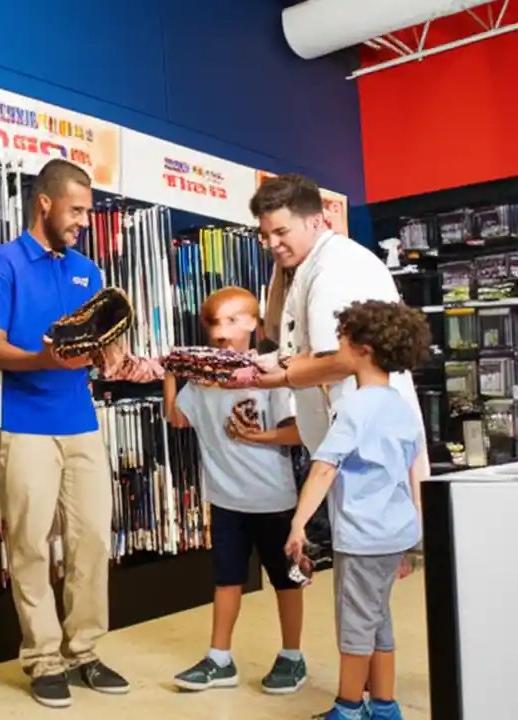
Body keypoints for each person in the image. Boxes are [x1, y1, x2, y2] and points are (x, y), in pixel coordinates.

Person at [0, 158, 149, 708]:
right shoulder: (0, 264)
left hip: (81, 421)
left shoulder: (88, 272)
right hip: (21, 424)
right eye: (75, 211)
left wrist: (116, 358)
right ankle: (44, 658)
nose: (82, 222)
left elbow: (94, 349)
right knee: (29, 544)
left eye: (87, 213)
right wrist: (47, 358)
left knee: (93, 537)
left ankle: (85, 652)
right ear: (44, 203)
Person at [228, 173, 429, 488]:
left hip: (365, 449)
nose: (273, 245)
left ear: (314, 221)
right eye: (266, 236)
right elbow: (290, 340)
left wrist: (279, 377)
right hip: (352, 446)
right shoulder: (312, 265)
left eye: (282, 232)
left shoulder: (335, 269)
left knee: (379, 533)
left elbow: (341, 361)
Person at [284, 300, 429, 720]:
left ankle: (348, 708)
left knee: (355, 627)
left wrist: (298, 523)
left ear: (363, 349)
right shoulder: (402, 407)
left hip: (362, 538)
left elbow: (324, 469)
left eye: (342, 342)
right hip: (396, 533)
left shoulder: (354, 408)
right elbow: (409, 473)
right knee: (378, 620)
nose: (336, 350)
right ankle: (384, 706)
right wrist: (414, 538)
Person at [163, 286, 310, 696]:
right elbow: (176, 417)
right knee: (226, 580)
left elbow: (301, 432)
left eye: (231, 320)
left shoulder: (273, 376)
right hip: (226, 500)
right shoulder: (204, 382)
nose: (220, 331)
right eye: (213, 323)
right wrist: (172, 371)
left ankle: (293, 657)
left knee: (287, 580)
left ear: (252, 324)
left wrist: (259, 436)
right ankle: (219, 658)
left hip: (274, 499)